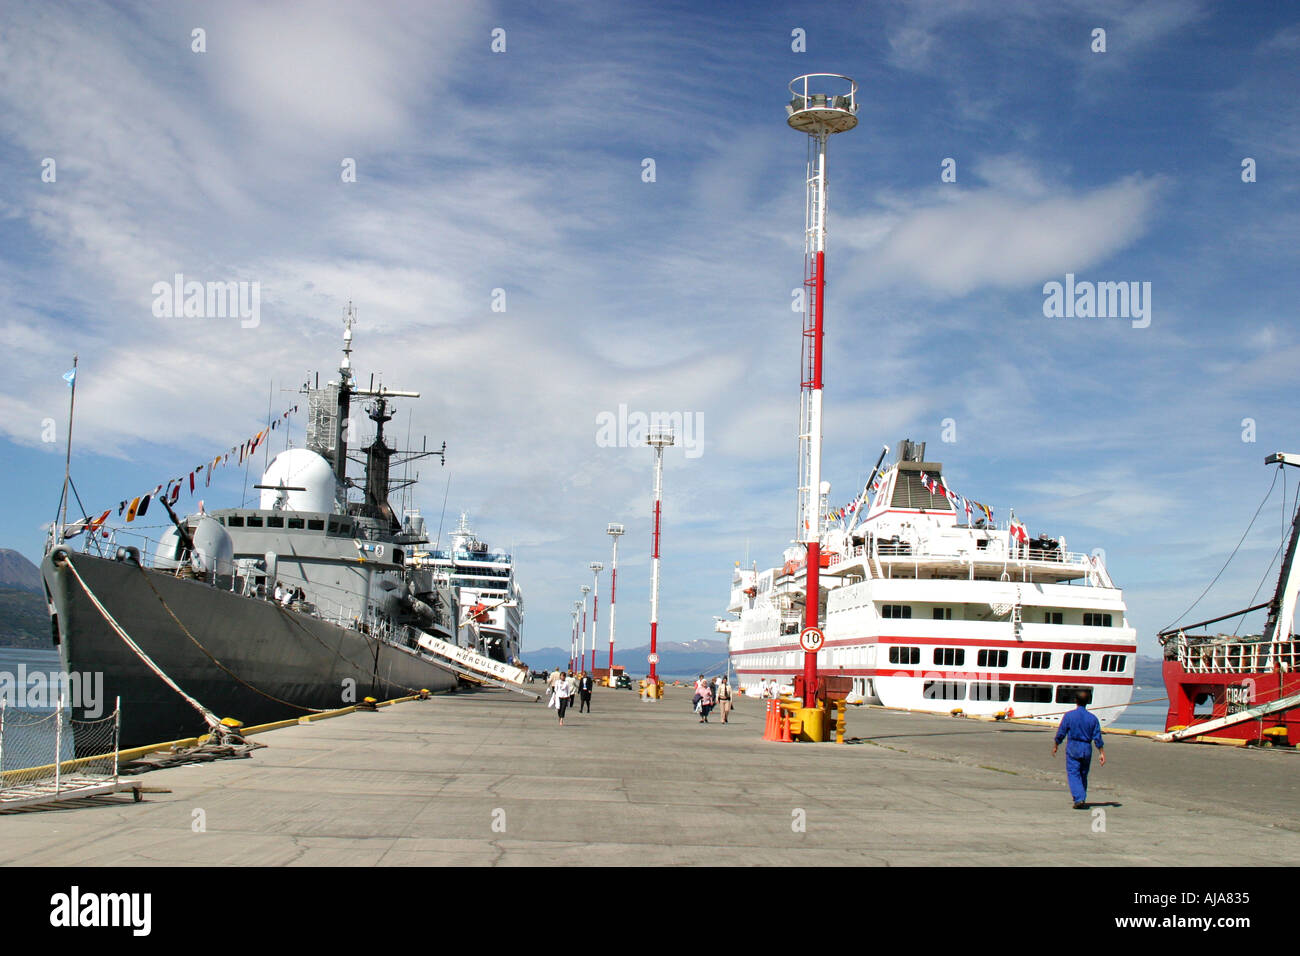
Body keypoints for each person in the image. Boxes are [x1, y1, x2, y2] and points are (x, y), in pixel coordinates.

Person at [1053, 689, 1106, 808]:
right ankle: (1080, 795)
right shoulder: (1093, 718)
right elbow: (1097, 737)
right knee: (1083, 773)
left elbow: (1062, 731)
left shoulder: (1069, 716)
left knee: (1073, 773)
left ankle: (1079, 798)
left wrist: (1056, 744)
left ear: (1075, 700)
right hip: (1086, 747)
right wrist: (1101, 753)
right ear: (1088, 701)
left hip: (1073, 745)